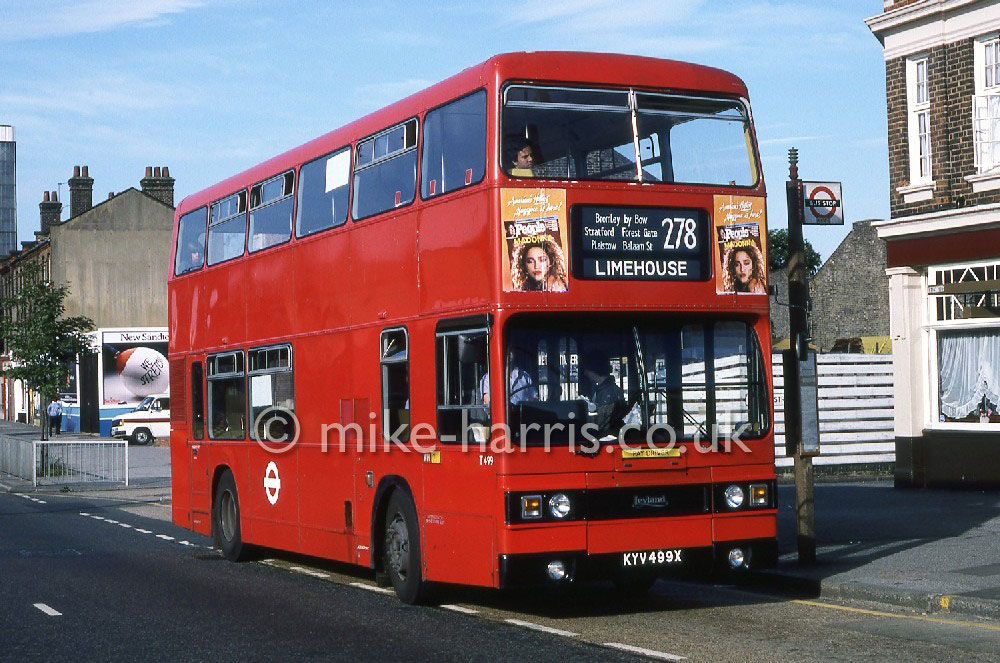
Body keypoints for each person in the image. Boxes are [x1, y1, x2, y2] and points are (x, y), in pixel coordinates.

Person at [581, 351, 628, 437]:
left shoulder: (608, 392)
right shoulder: (603, 389)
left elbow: (603, 422)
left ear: (593, 369)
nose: (585, 373)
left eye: (586, 370)